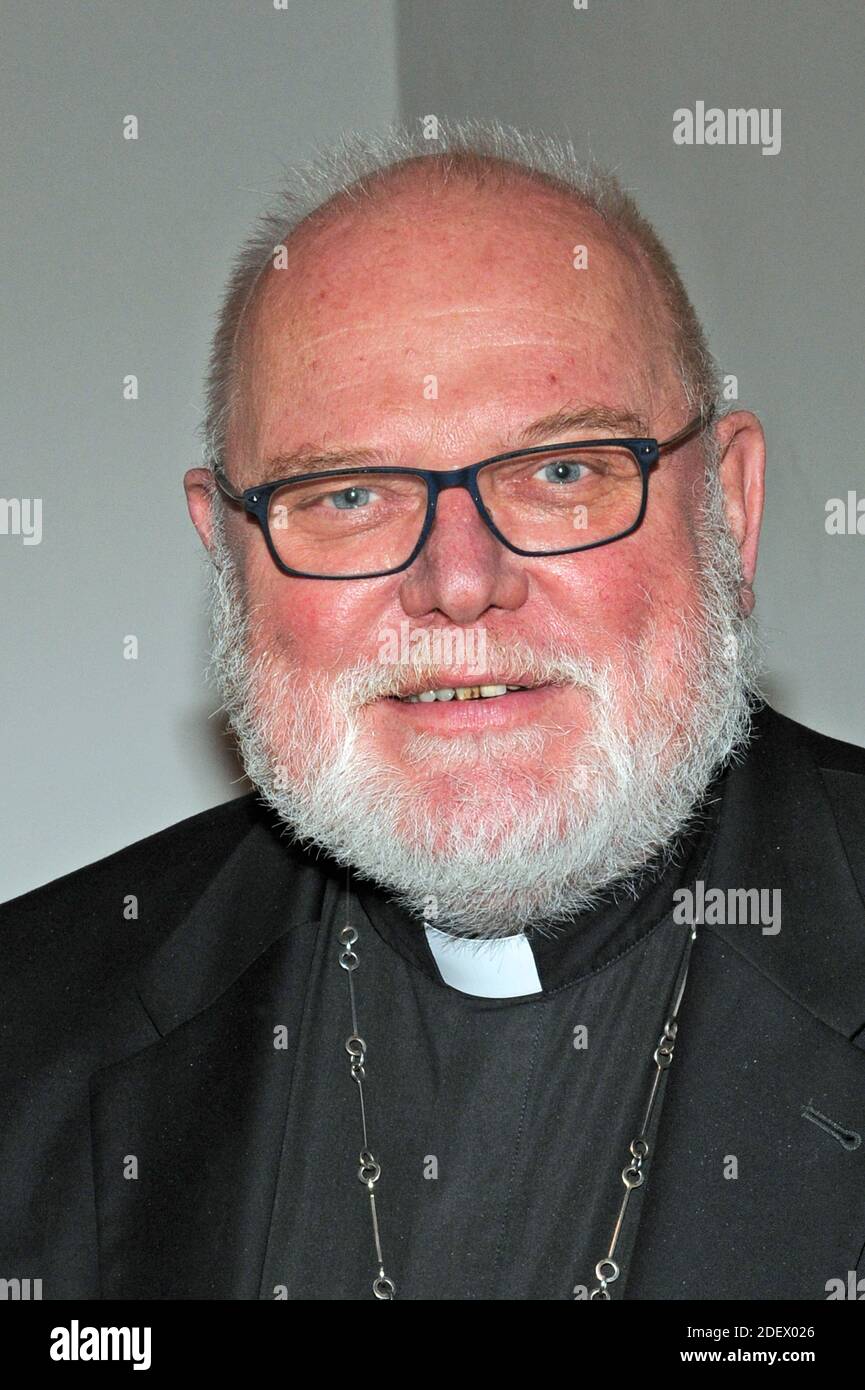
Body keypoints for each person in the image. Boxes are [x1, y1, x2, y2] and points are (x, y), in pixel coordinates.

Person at [3, 122, 865, 1302]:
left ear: (728, 506)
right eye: (347, 493)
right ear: (229, 556)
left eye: (562, 472)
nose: (458, 581)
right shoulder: (27, 1024)